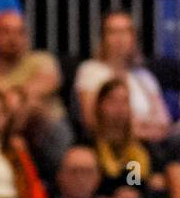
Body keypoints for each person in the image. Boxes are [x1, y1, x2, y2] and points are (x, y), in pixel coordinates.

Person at [0, 9, 72, 174]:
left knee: (35, 107)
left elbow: (49, 81)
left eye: (19, 32)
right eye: (6, 31)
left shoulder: (40, 60)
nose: (13, 38)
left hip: (43, 145)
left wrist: (19, 96)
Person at [73, 11, 171, 143]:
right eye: (113, 32)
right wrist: (141, 128)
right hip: (108, 145)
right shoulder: (90, 70)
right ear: (103, 38)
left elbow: (164, 123)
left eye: (126, 32)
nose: (120, 38)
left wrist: (136, 130)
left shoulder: (144, 76)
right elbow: (92, 121)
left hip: (150, 146)